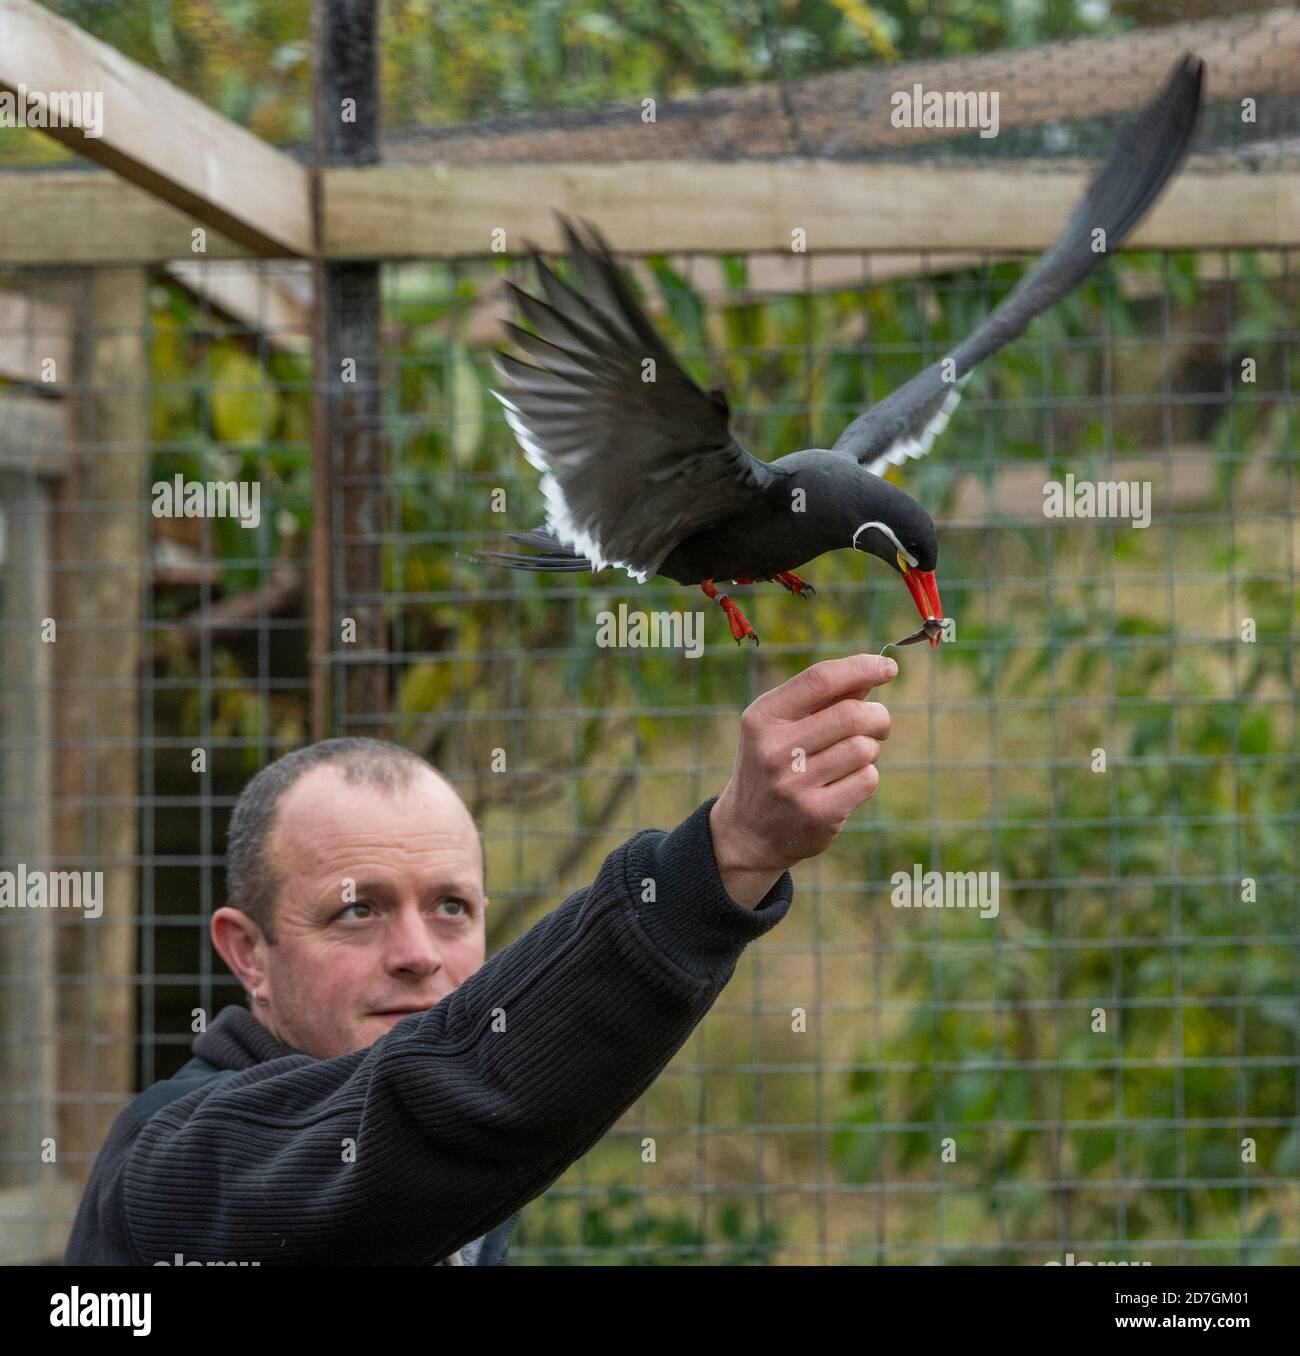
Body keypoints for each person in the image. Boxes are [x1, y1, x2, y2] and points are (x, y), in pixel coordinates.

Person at [65, 653, 897, 1265]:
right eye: (358, 911)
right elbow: (430, 1111)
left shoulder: (462, 1180)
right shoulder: (171, 1164)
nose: (420, 955)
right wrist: (725, 857)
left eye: (451, 907)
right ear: (248, 953)